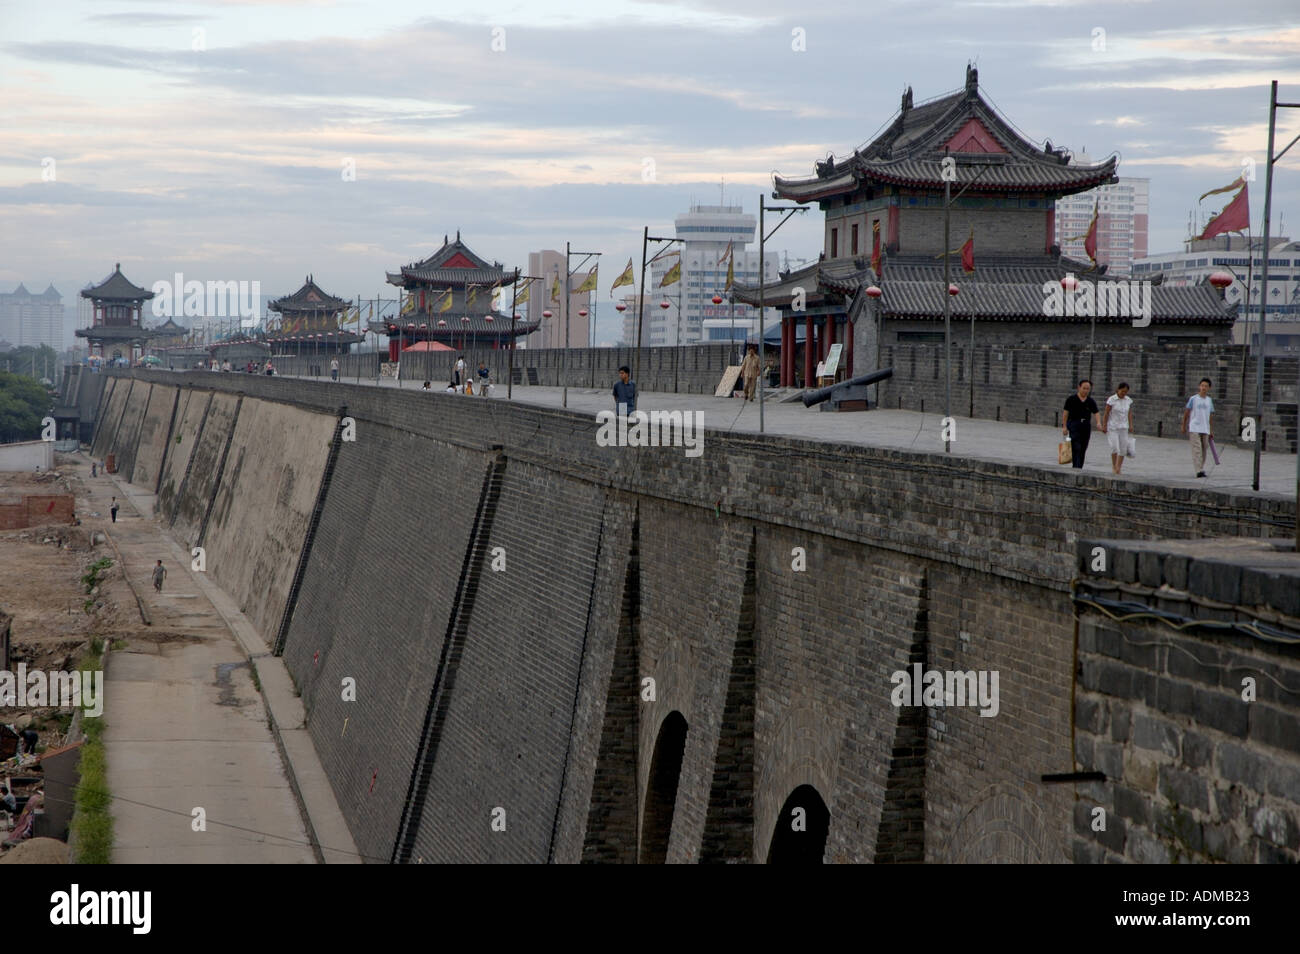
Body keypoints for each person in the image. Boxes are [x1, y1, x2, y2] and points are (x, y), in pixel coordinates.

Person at [1061, 379, 1100, 470]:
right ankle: (1075, 466)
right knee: (1076, 446)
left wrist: (1098, 422)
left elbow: (1096, 412)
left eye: (1088, 389)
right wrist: (1064, 426)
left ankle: (1079, 467)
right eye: (1084, 388)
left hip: (1085, 426)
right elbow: (1065, 413)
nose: (1086, 390)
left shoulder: (1090, 401)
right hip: (1074, 424)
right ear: (1079, 387)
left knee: (1083, 448)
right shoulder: (1071, 399)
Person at [1182, 377, 1214, 478]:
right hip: (1194, 427)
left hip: (1205, 428)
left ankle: (1201, 467)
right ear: (1199, 387)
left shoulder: (1209, 401)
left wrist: (1211, 430)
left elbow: (1210, 416)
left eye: (1206, 386)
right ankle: (1198, 470)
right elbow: (1186, 413)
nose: (1203, 388)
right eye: (1202, 386)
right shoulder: (1193, 399)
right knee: (1197, 449)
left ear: (1209, 388)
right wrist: (1183, 425)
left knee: (1204, 449)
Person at [1101, 382, 1135, 475]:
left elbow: (1129, 413)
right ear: (1118, 389)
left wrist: (1131, 425)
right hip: (1113, 427)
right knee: (1114, 447)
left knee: (1123, 449)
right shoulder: (1112, 399)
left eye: (1125, 392)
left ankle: (1118, 467)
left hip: (1124, 427)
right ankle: (1114, 465)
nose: (1123, 393)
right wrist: (1104, 425)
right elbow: (1106, 413)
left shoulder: (1128, 400)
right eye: (1122, 391)